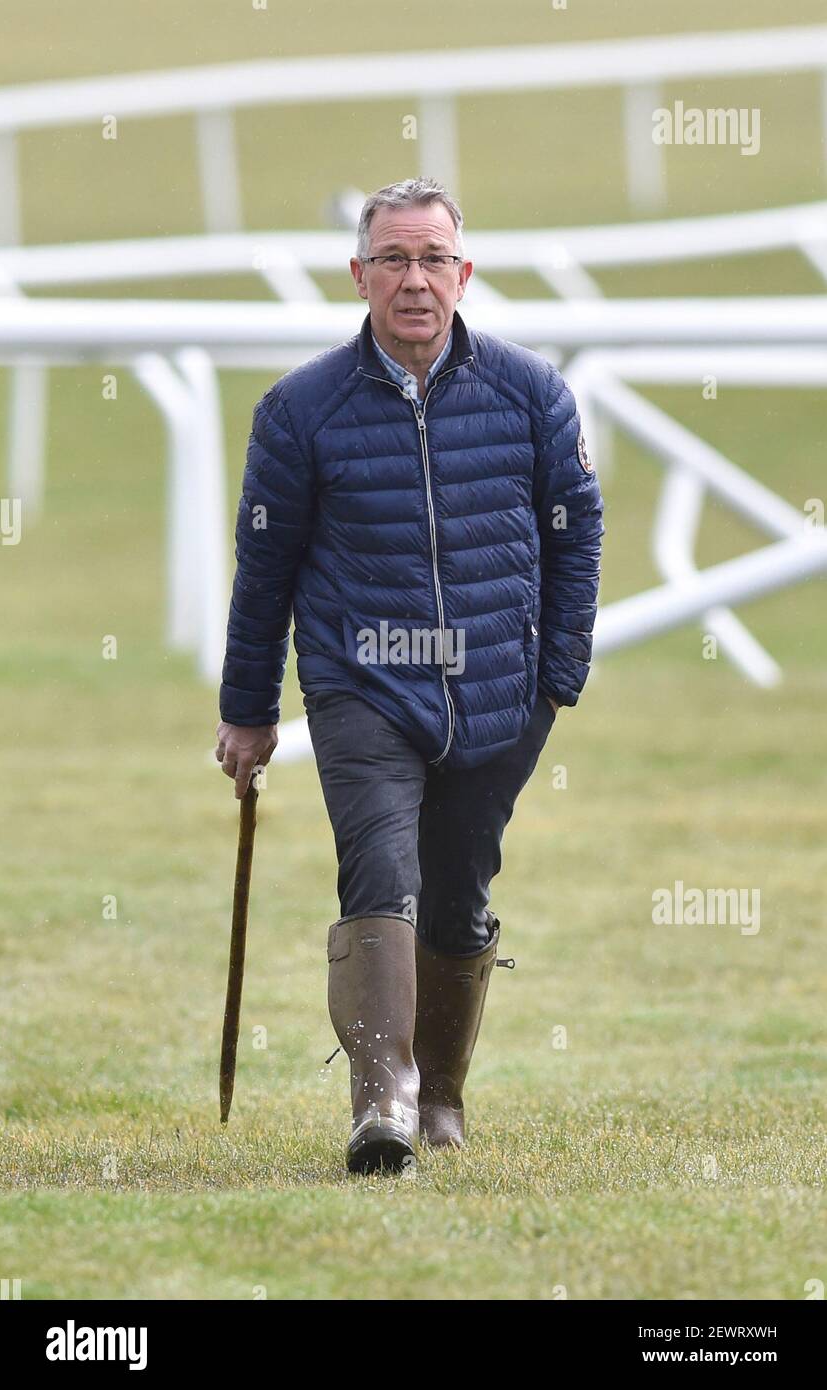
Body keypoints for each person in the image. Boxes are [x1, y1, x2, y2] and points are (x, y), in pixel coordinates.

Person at [216, 177, 604, 1174]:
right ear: (359, 276)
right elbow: (264, 567)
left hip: (499, 692)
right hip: (361, 687)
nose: (416, 280)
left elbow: (577, 530)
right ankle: (379, 1099)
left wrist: (558, 672)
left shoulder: (532, 393)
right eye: (395, 260)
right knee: (380, 868)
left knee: (460, 895)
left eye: (434, 259)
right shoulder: (300, 410)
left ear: (465, 274)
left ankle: (441, 1094)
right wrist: (249, 710)